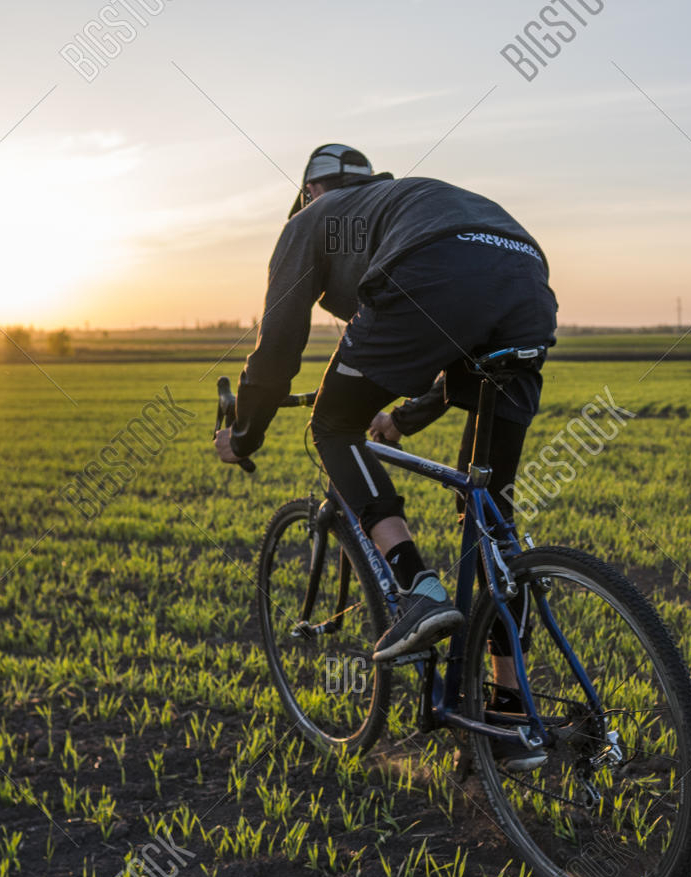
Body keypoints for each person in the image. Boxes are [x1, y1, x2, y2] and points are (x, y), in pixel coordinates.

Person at [214, 143, 556, 686]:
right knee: (490, 518)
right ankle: (509, 708)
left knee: (333, 424)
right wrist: (402, 419)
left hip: (434, 265)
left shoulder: (311, 220)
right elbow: (451, 340)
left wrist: (246, 432)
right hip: (525, 272)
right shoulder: (401, 200)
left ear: (310, 192)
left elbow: (278, 343)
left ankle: (416, 585)